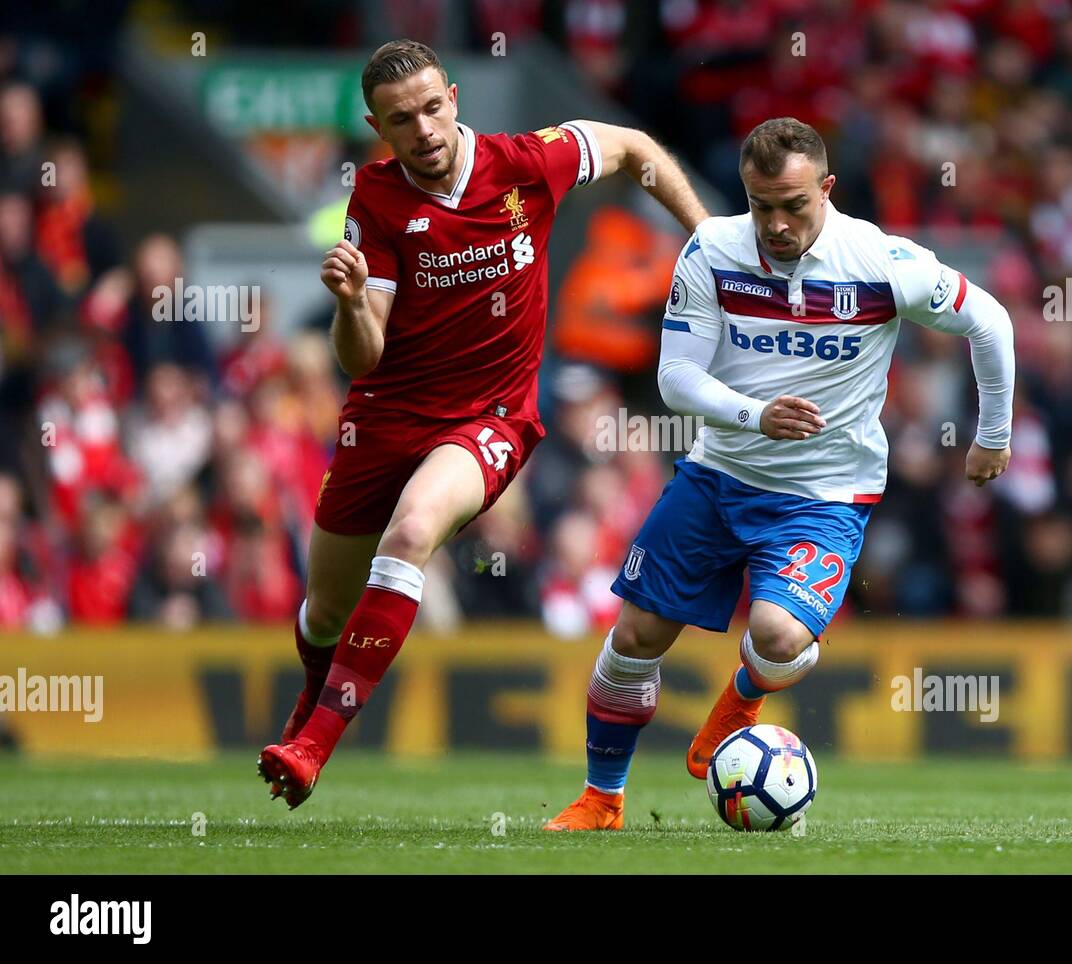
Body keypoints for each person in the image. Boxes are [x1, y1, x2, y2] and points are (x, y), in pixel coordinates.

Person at [259, 39, 709, 808]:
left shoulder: (529, 161)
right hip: (385, 414)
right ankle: (312, 700)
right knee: (325, 607)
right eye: (403, 120)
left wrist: (710, 240)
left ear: (455, 99)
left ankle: (312, 745)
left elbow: (634, 147)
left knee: (411, 536)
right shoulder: (376, 200)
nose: (424, 130)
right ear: (379, 126)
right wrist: (347, 299)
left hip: (490, 416)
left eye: (433, 108)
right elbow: (362, 356)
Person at [545, 117, 1015, 830]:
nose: (776, 223)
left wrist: (993, 436)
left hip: (823, 493)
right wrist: (753, 415)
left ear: (826, 189)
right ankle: (600, 799)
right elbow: (675, 377)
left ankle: (742, 696)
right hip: (718, 475)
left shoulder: (882, 261)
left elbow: (991, 323)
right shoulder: (712, 249)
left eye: (793, 205)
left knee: (779, 635)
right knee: (636, 636)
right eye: (761, 204)